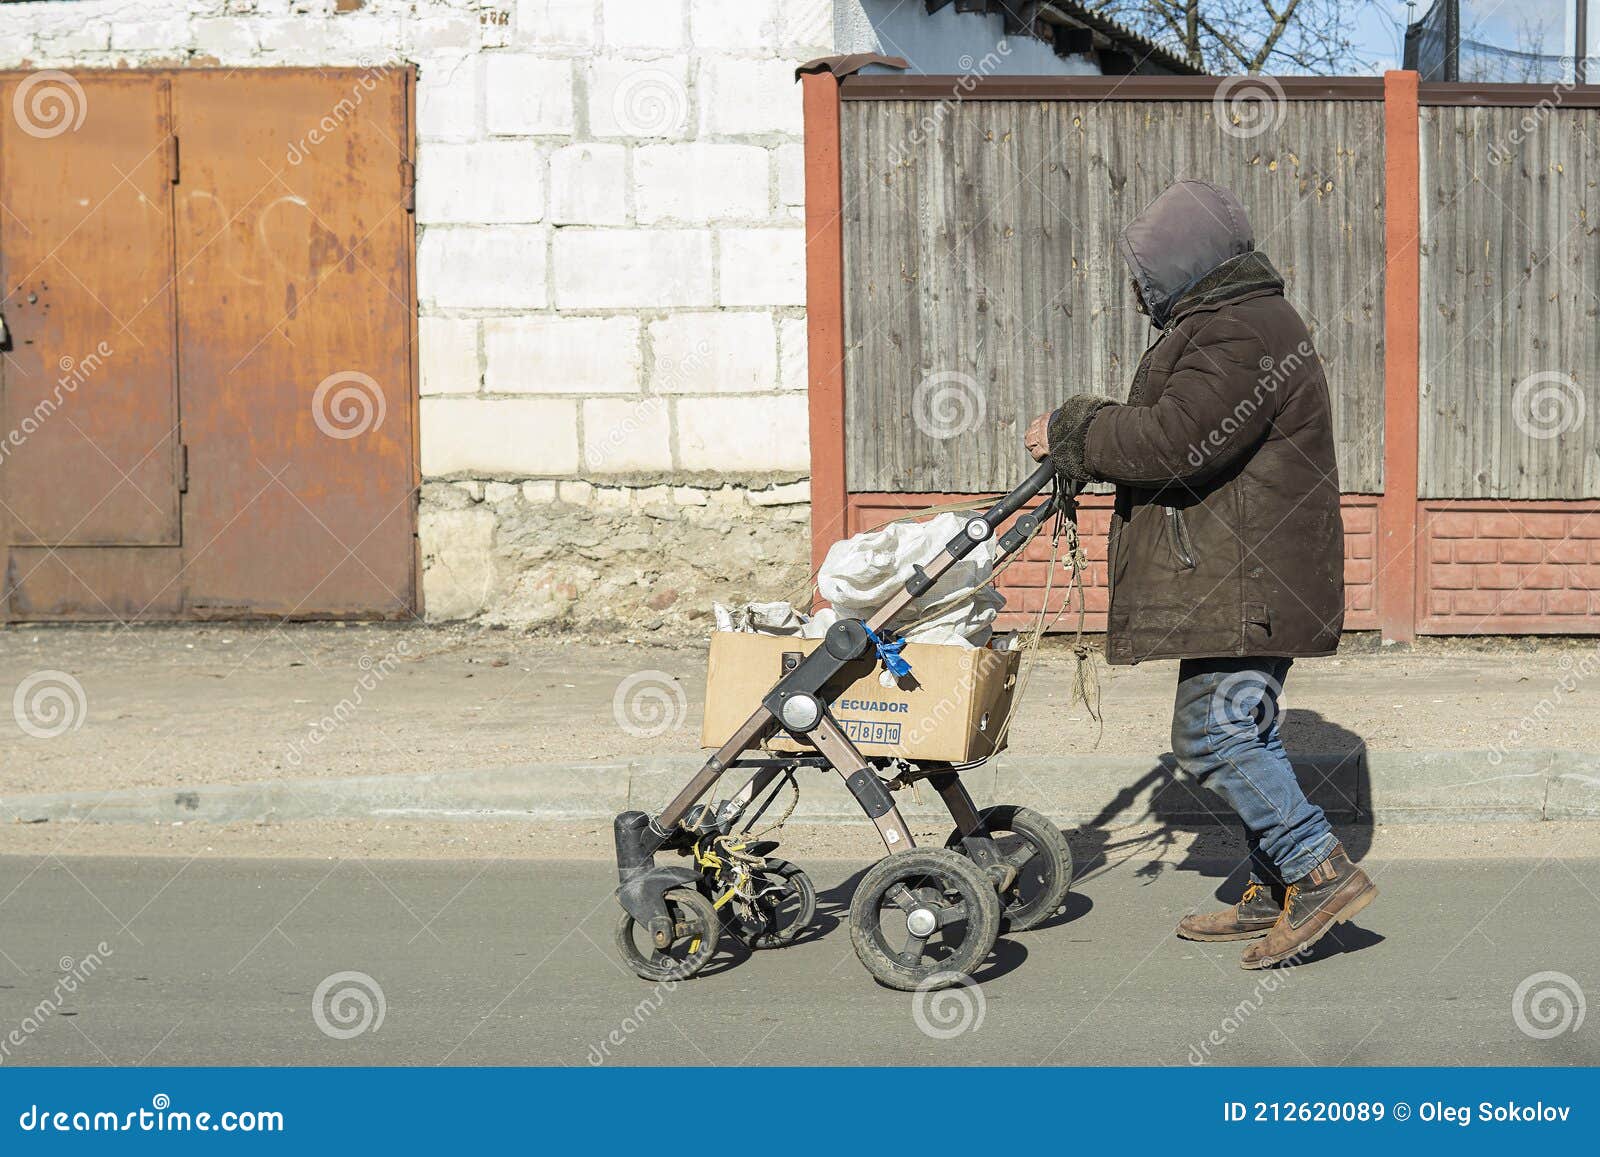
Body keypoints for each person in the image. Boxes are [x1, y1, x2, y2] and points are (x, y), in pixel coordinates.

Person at [1023, 179, 1376, 969]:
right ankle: (1276, 881)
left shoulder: (1240, 329)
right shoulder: (1234, 319)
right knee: (1242, 726)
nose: (1139, 286)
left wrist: (1078, 427)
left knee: (1210, 732)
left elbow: (1180, 442)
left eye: (1145, 270)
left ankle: (1317, 868)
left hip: (1246, 576)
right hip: (1240, 571)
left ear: (1183, 261)